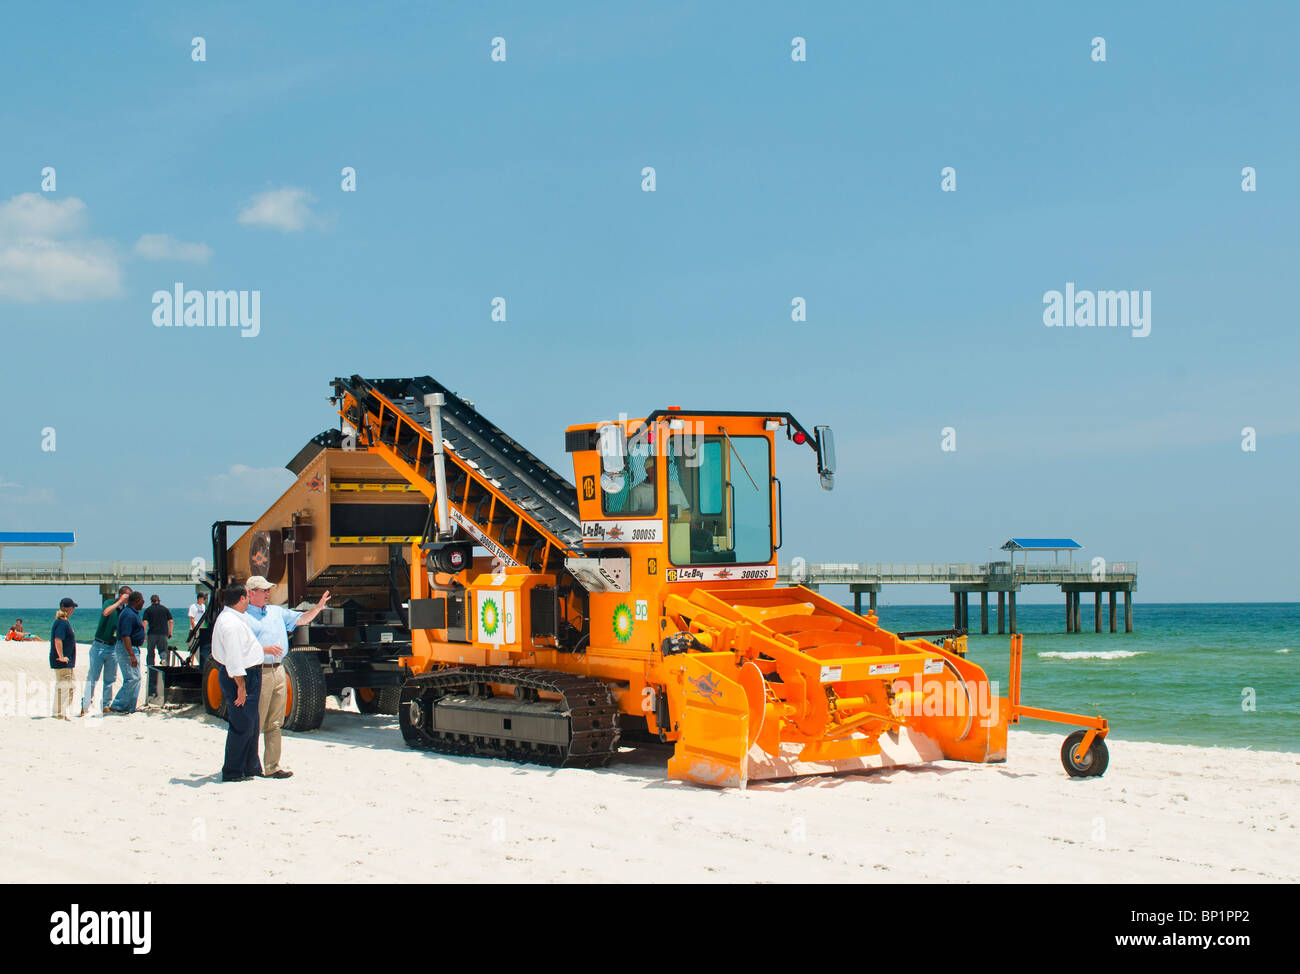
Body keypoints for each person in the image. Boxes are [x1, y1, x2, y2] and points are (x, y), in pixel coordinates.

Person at [243, 576, 331, 780]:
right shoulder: (244, 616)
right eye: (263, 590)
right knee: (255, 722)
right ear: (251, 593)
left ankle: (272, 766)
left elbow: (300, 619)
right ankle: (250, 765)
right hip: (258, 671)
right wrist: (264, 649)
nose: (268, 593)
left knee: (274, 722)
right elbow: (241, 647)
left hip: (279, 670)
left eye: (268, 590)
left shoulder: (276, 611)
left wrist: (317, 608)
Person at [210, 583, 265, 782]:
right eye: (247, 598)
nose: (249, 601)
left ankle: (250, 767)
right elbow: (233, 658)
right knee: (242, 725)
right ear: (241, 599)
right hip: (240, 677)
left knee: (252, 722)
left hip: (248, 675)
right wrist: (241, 687)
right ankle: (232, 771)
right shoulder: (230, 623)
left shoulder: (233, 618)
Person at [83, 586, 128, 716]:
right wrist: (119, 602)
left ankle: (106, 705)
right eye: (126, 596)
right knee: (93, 677)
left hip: (113, 647)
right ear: (121, 595)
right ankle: (85, 704)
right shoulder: (109, 603)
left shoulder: (124, 611)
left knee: (110, 679)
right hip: (99, 645)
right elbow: (106, 612)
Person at [108, 592, 146, 714]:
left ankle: (130, 706)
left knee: (137, 678)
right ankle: (118, 704)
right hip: (127, 649)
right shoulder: (128, 614)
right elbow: (125, 635)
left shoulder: (132, 613)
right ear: (136, 601)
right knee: (132, 678)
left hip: (133, 648)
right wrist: (131, 655)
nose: (143, 603)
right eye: (142, 601)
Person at [49, 599, 78, 720]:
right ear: (67, 608)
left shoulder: (63, 622)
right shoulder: (62, 623)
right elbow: (58, 640)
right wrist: (61, 657)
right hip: (63, 661)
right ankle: (59, 713)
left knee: (70, 685)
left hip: (66, 661)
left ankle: (60, 711)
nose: (73, 610)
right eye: (72, 608)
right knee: (64, 685)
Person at [142, 594, 173, 669]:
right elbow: (171, 621)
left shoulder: (148, 610)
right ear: (159, 601)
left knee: (150, 653)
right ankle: (163, 661)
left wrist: (143, 634)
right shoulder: (165, 609)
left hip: (152, 634)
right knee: (163, 650)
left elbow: (145, 622)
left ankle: (150, 668)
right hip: (163, 634)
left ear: (151, 602)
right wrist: (170, 632)